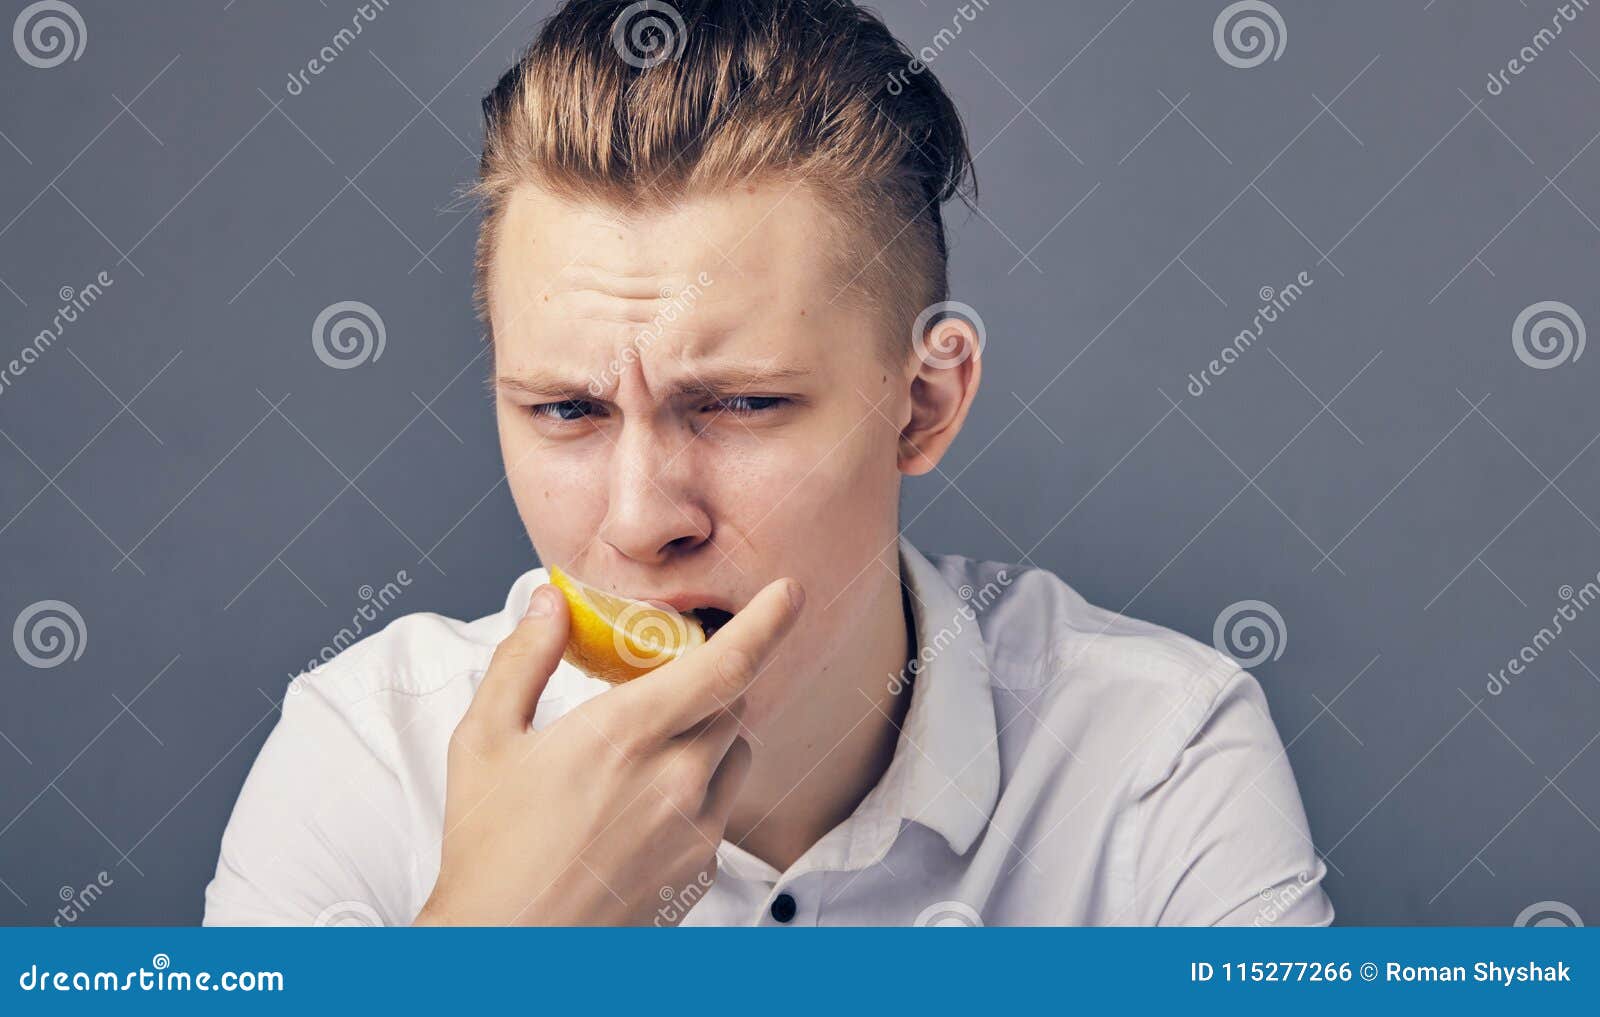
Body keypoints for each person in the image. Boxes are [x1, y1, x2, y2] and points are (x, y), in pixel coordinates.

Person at [203, 0, 1332, 927]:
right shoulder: (363, 757)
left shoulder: (1152, 756)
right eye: (564, 410)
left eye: (740, 404)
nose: (644, 521)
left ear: (923, 404)